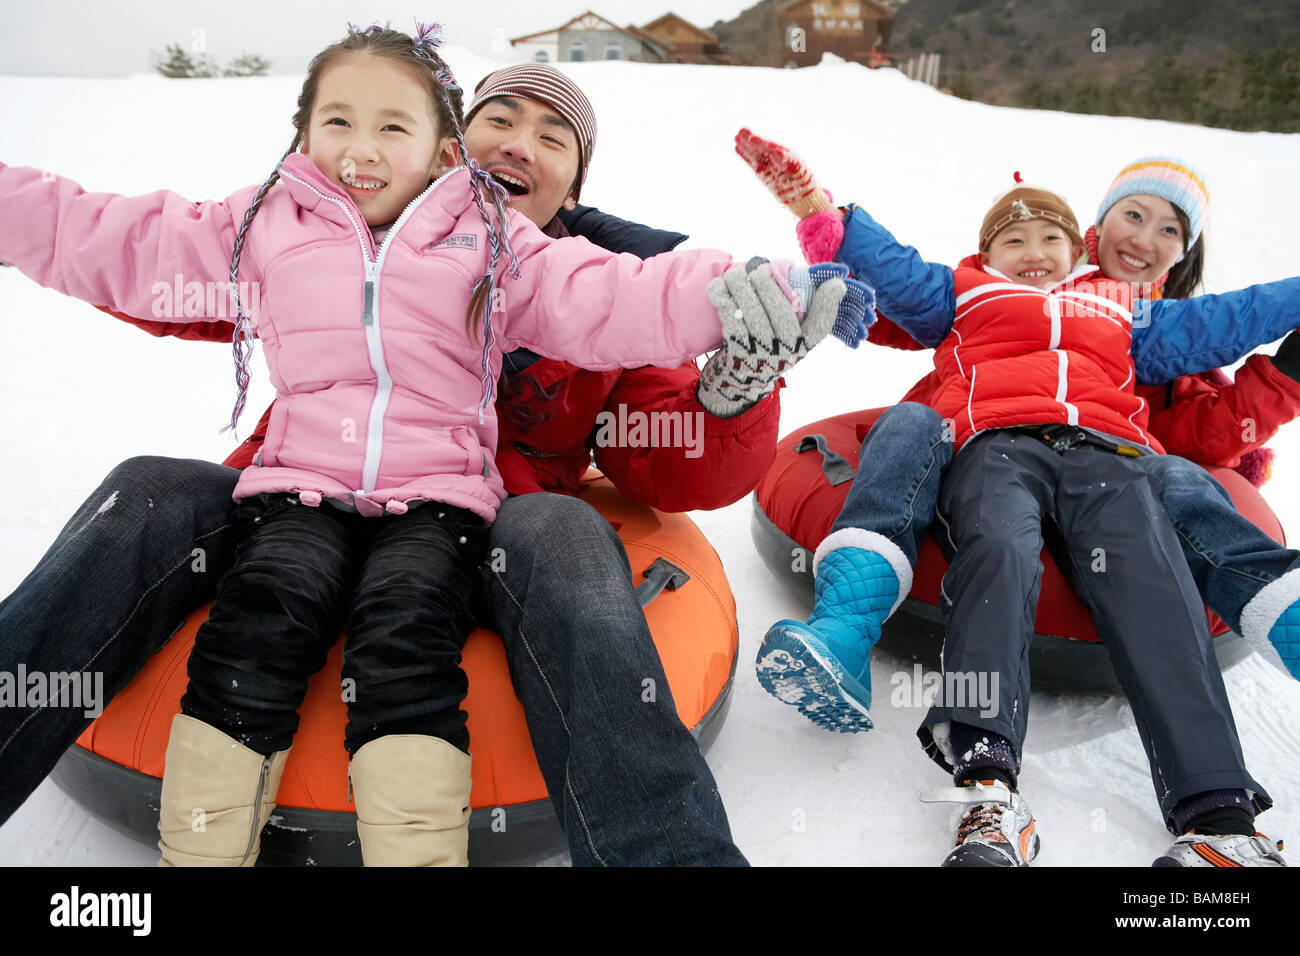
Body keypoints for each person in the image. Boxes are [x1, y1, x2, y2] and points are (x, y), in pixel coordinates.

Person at [0, 27, 864, 867]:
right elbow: (140, 251)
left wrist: (732, 384)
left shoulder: (577, 284)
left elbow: (665, 454)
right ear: (450, 149)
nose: (520, 143)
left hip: (488, 533)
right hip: (296, 505)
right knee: (145, 487)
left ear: (571, 188)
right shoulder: (323, 237)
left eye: (552, 134)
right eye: (501, 119)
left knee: (562, 529)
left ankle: (669, 850)